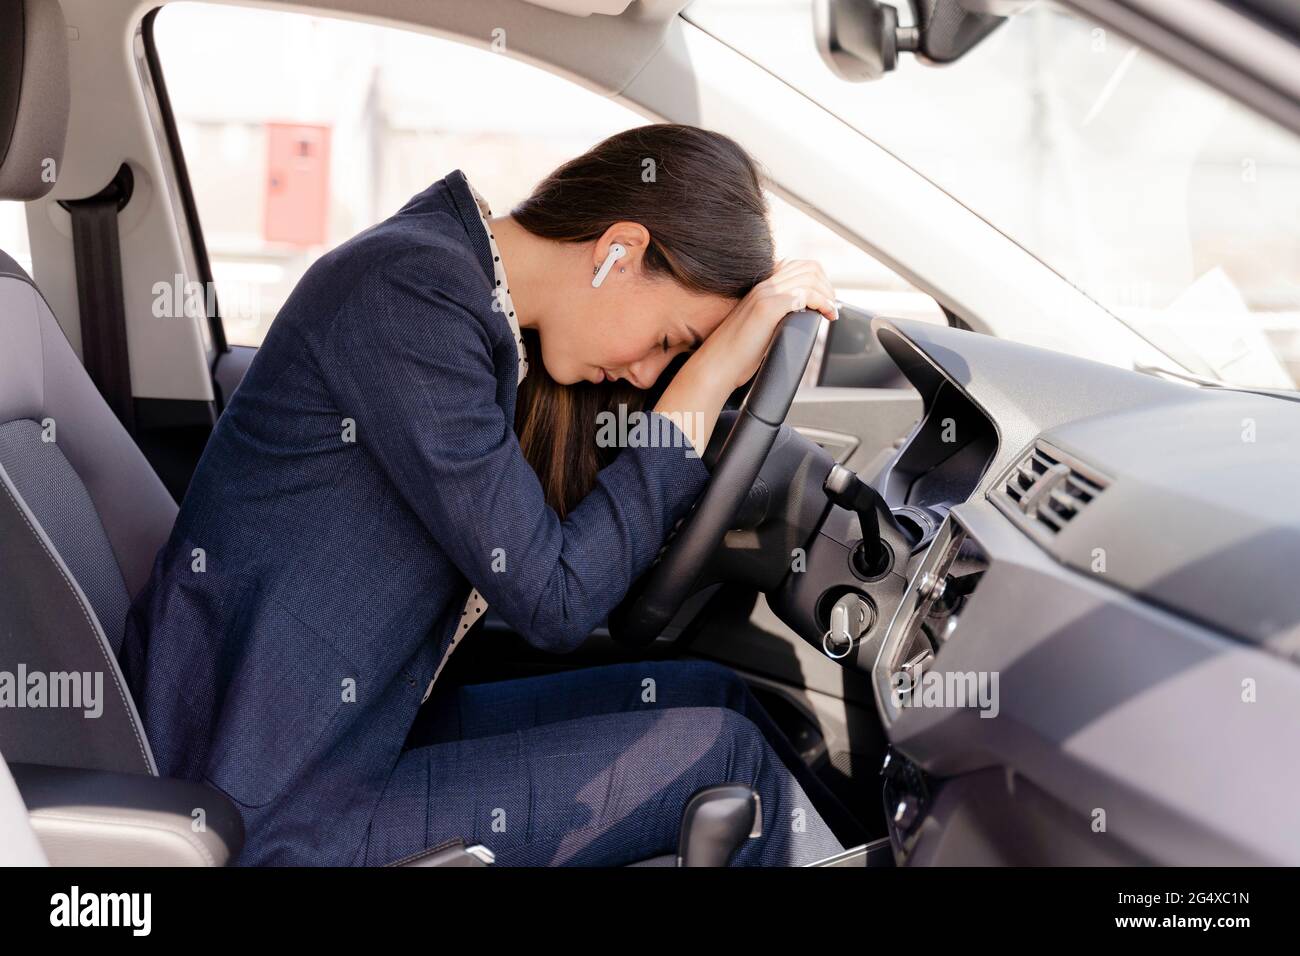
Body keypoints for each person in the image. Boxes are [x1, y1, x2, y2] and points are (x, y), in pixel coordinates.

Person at [120, 124, 853, 866]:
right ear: (619, 252)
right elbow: (557, 598)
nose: (646, 373)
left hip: (364, 730)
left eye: (675, 359)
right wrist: (705, 384)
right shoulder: (411, 296)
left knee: (710, 694)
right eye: (669, 340)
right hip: (272, 794)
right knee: (733, 765)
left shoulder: (462, 293)